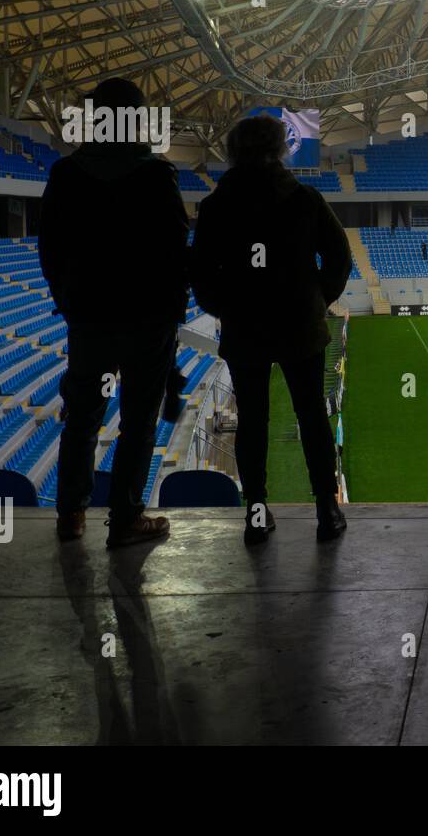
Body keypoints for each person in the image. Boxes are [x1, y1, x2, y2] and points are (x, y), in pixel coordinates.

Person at [39, 78, 188, 547]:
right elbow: (173, 250)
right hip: (146, 318)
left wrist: (68, 301)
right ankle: (125, 518)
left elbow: (51, 248)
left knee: (82, 418)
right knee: (138, 422)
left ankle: (71, 516)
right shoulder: (155, 175)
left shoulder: (67, 174)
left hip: (88, 317)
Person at [190, 114, 350, 545]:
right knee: (312, 415)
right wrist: (318, 302)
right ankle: (326, 509)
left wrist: (228, 308)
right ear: (280, 149)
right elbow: (339, 258)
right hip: (299, 325)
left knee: (253, 422)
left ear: (233, 151)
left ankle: (257, 514)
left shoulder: (216, 206)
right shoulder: (304, 199)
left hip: (246, 329)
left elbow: (200, 275)